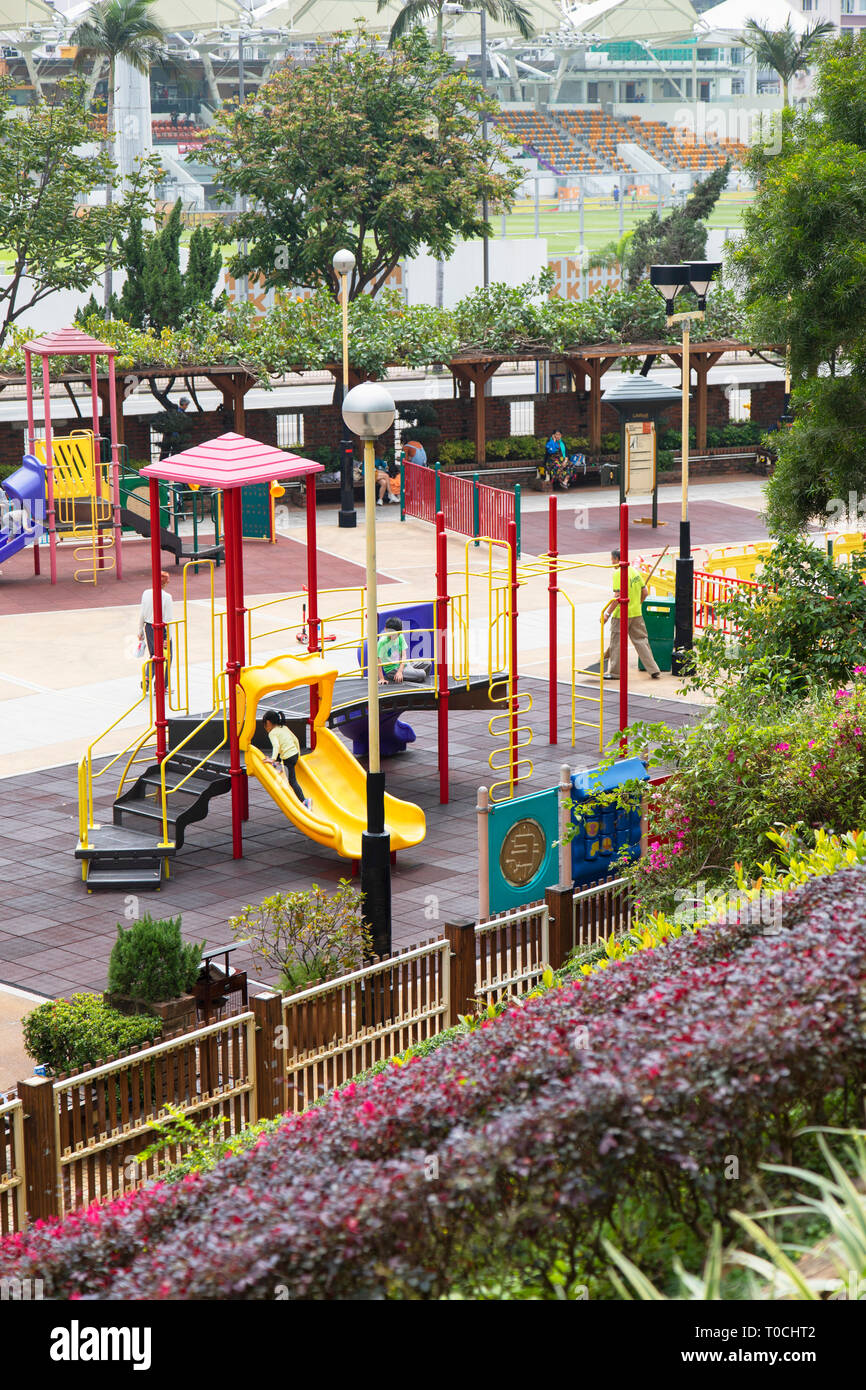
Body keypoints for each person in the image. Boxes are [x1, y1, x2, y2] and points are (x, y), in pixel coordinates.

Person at [602, 549, 660, 681]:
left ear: (617, 559)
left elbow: (617, 596)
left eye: (612, 559)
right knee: (641, 641)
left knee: (616, 643)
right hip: (636, 613)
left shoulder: (618, 573)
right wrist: (637, 604)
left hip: (621, 615)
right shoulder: (634, 571)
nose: (612, 562)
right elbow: (645, 592)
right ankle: (653, 669)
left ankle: (615, 673)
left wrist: (607, 614)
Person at [261, 709, 309, 806]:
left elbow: (276, 746)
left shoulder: (272, 733)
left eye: (264, 724)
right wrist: (298, 754)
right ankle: (277, 764)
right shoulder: (284, 727)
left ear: (268, 723)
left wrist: (272, 759)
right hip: (294, 754)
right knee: (283, 761)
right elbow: (295, 739)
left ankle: (304, 801)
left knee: (292, 781)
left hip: (288, 757)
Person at [137, 571, 174, 692]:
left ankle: (147, 677)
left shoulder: (146, 593)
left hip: (149, 627)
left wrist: (140, 630)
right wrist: (168, 638)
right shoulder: (167, 597)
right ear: (165, 583)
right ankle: (161, 685)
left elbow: (142, 612)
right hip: (162, 629)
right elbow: (168, 619)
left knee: (153, 654)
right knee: (167, 657)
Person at [377, 616, 432, 685]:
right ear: (386, 629)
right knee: (422, 674)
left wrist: (400, 671)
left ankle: (411, 676)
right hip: (392, 670)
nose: (394, 636)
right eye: (392, 633)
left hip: (404, 665)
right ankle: (412, 677)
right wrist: (381, 678)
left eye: (397, 634)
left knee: (428, 663)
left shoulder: (400, 636)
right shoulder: (382, 642)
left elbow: (404, 655)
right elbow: (378, 661)